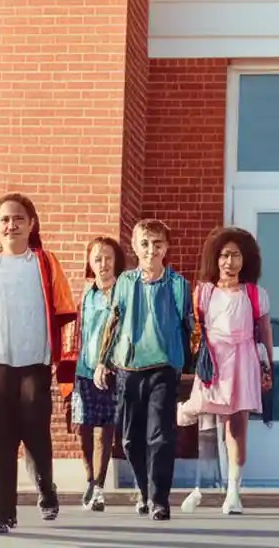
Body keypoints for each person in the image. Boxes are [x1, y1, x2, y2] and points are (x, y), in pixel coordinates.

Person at [0, 194, 77, 535]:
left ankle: (46, 489)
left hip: (33, 359)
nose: (12, 225)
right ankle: (4, 512)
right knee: (2, 439)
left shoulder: (43, 262)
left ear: (31, 224)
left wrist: (62, 359)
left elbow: (65, 313)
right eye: (5, 219)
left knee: (36, 431)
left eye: (19, 218)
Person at [96, 220, 194, 521]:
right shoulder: (125, 282)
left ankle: (160, 499)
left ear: (166, 248)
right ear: (135, 247)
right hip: (127, 368)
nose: (151, 250)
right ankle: (144, 491)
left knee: (160, 436)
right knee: (129, 439)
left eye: (158, 244)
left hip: (163, 368)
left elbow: (190, 326)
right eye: (145, 243)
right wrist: (103, 360)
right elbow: (113, 321)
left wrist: (189, 364)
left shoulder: (178, 285)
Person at [177, 226, 274, 516]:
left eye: (235, 255)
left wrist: (268, 366)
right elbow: (193, 331)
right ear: (215, 259)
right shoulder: (204, 293)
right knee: (206, 423)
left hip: (243, 358)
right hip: (213, 361)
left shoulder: (255, 294)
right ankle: (202, 488)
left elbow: (265, 333)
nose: (229, 262)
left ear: (246, 260)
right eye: (224, 255)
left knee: (236, 426)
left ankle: (233, 490)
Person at [72, 236, 124, 512]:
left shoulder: (122, 291)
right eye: (97, 258)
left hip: (111, 371)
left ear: (116, 260)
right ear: (90, 263)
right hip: (84, 369)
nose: (102, 264)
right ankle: (90, 480)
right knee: (82, 426)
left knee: (105, 430)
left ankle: (100, 488)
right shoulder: (86, 293)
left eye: (107, 258)